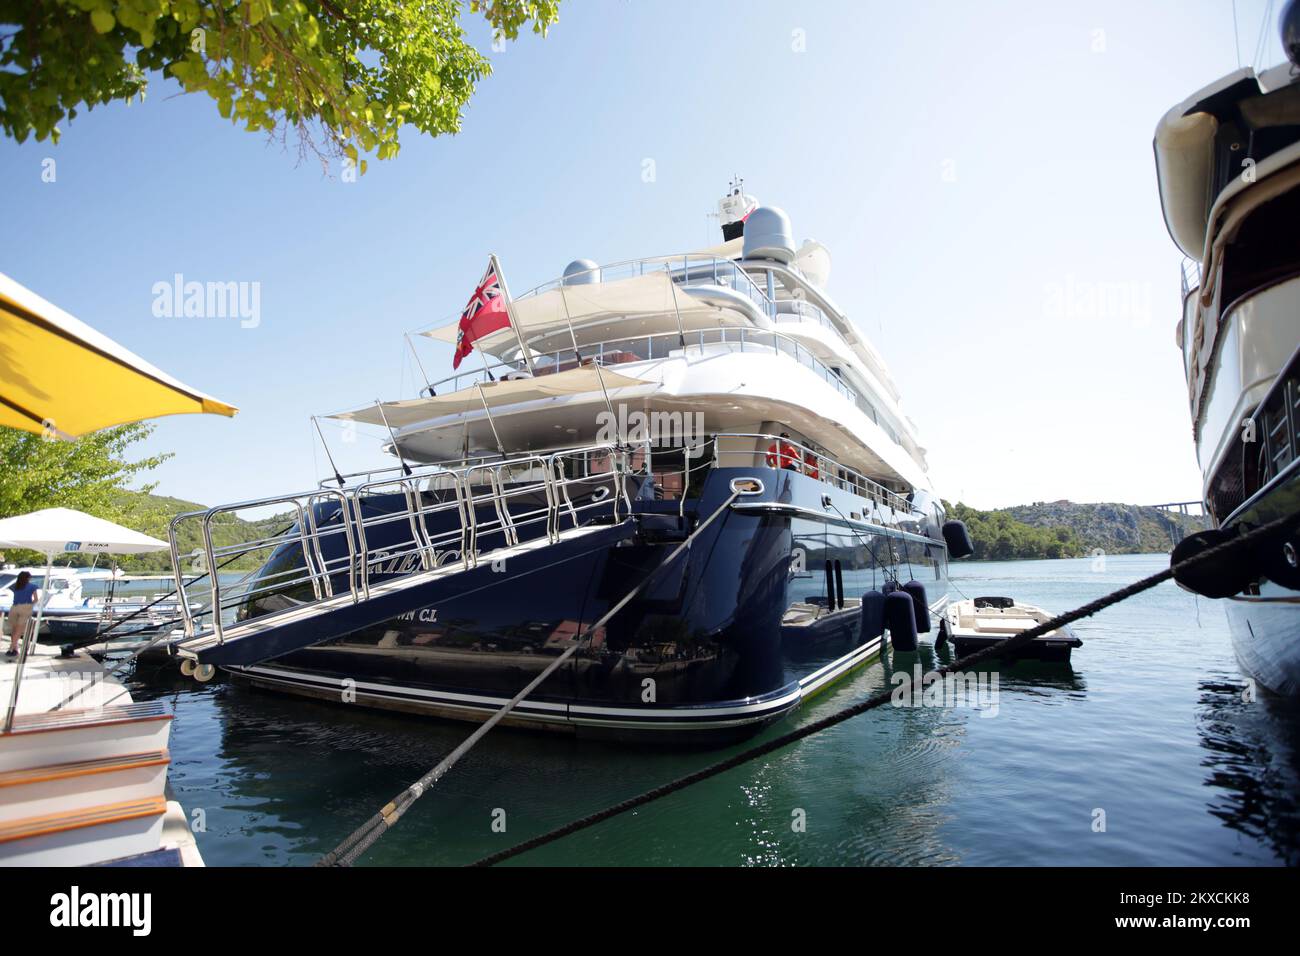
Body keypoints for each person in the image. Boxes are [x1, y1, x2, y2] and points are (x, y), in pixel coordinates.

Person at [6, 572, 40, 658]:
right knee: (19, 630)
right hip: (25, 607)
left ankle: (15, 648)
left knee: (14, 630)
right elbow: (36, 599)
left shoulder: (15, 586)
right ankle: (11, 648)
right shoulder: (32, 586)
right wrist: (30, 605)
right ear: (28, 578)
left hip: (14, 607)